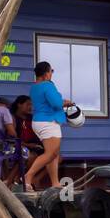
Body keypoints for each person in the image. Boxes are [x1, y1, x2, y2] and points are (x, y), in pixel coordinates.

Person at [24, 61, 74, 191]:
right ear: (46, 74)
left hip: (39, 121)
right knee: (51, 154)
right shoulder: (48, 85)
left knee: (54, 154)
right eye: (51, 71)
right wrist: (66, 102)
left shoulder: (34, 87)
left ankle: (55, 183)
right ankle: (28, 176)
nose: (51, 74)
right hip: (48, 122)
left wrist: (61, 102)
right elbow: (56, 103)